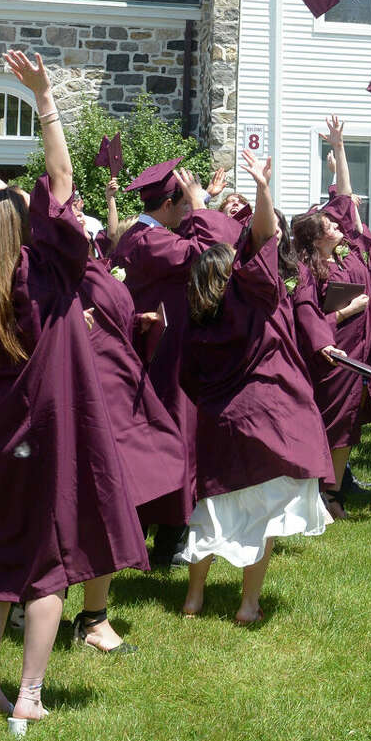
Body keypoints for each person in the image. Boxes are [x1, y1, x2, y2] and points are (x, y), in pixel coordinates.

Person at [0, 51, 149, 730]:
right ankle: (28, 693)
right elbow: (61, 178)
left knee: (1, 549)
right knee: (51, 563)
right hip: (51, 427)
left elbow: (27, 201)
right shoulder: (46, 273)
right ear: (29, 230)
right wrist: (46, 100)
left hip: (0, 431)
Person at [178, 148, 332, 624]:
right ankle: (247, 605)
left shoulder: (200, 317)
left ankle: (193, 599)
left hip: (220, 424)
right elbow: (264, 236)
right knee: (264, 516)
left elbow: (189, 379)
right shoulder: (253, 296)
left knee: (213, 509)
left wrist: (200, 202)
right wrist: (263, 190)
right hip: (264, 418)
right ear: (236, 275)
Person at [108, 153, 241, 558]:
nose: (188, 212)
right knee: (174, 440)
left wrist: (206, 202)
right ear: (167, 206)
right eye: (183, 205)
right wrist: (204, 208)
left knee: (159, 440)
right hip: (165, 357)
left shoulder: (142, 234)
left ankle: (156, 530)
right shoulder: (149, 242)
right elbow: (209, 251)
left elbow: (189, 234)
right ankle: (170, 536)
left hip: (157, 350)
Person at [291, 117, 371, 516]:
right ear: (316, 235)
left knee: (347, 426)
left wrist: (341, 148)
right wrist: (345, 313)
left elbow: (344, 197)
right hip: (332, 354)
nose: (338, 222)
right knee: (325, 420)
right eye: (330, 223)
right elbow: (306, 311)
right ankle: (311, 491)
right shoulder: (310, 271)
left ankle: (332, 494)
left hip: (364, 350)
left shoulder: (351, 254)